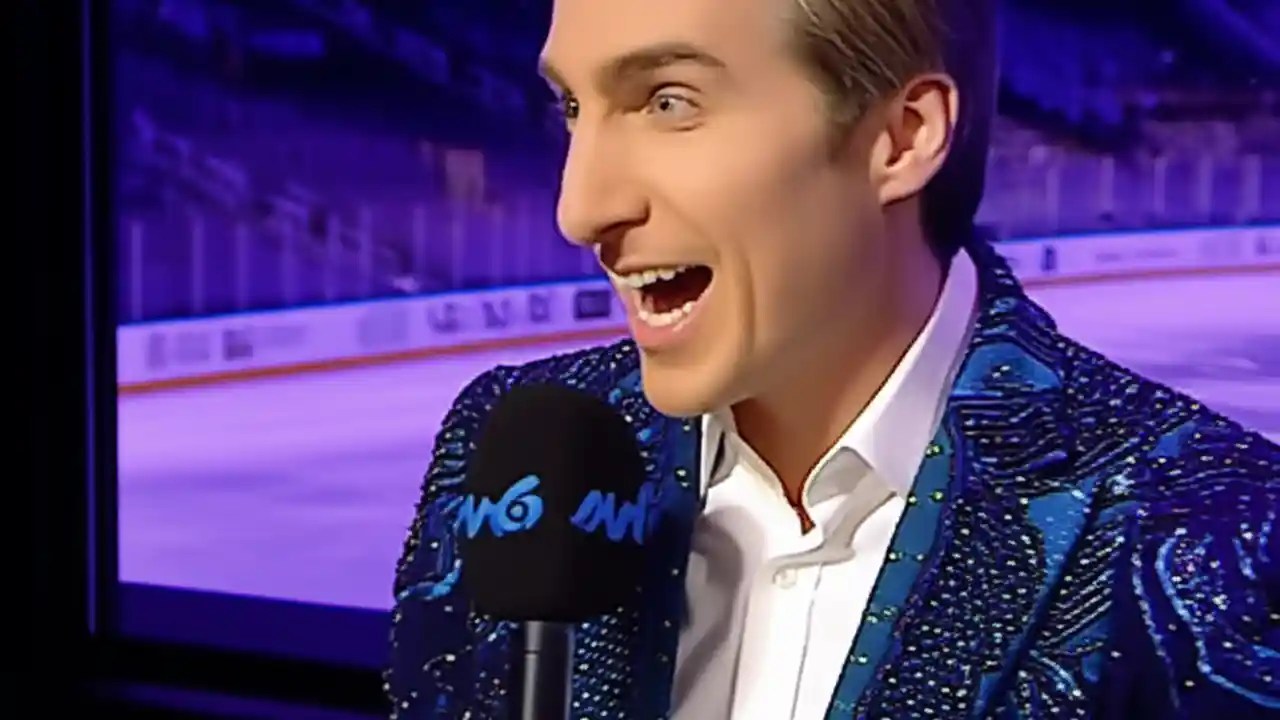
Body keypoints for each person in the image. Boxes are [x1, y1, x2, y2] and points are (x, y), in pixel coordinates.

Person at [385, 0, 1280, 717]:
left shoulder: (1210, 527)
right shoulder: (509, 445)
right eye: (573, 107)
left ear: (902, 136)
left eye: (668, 102)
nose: (579, 209)